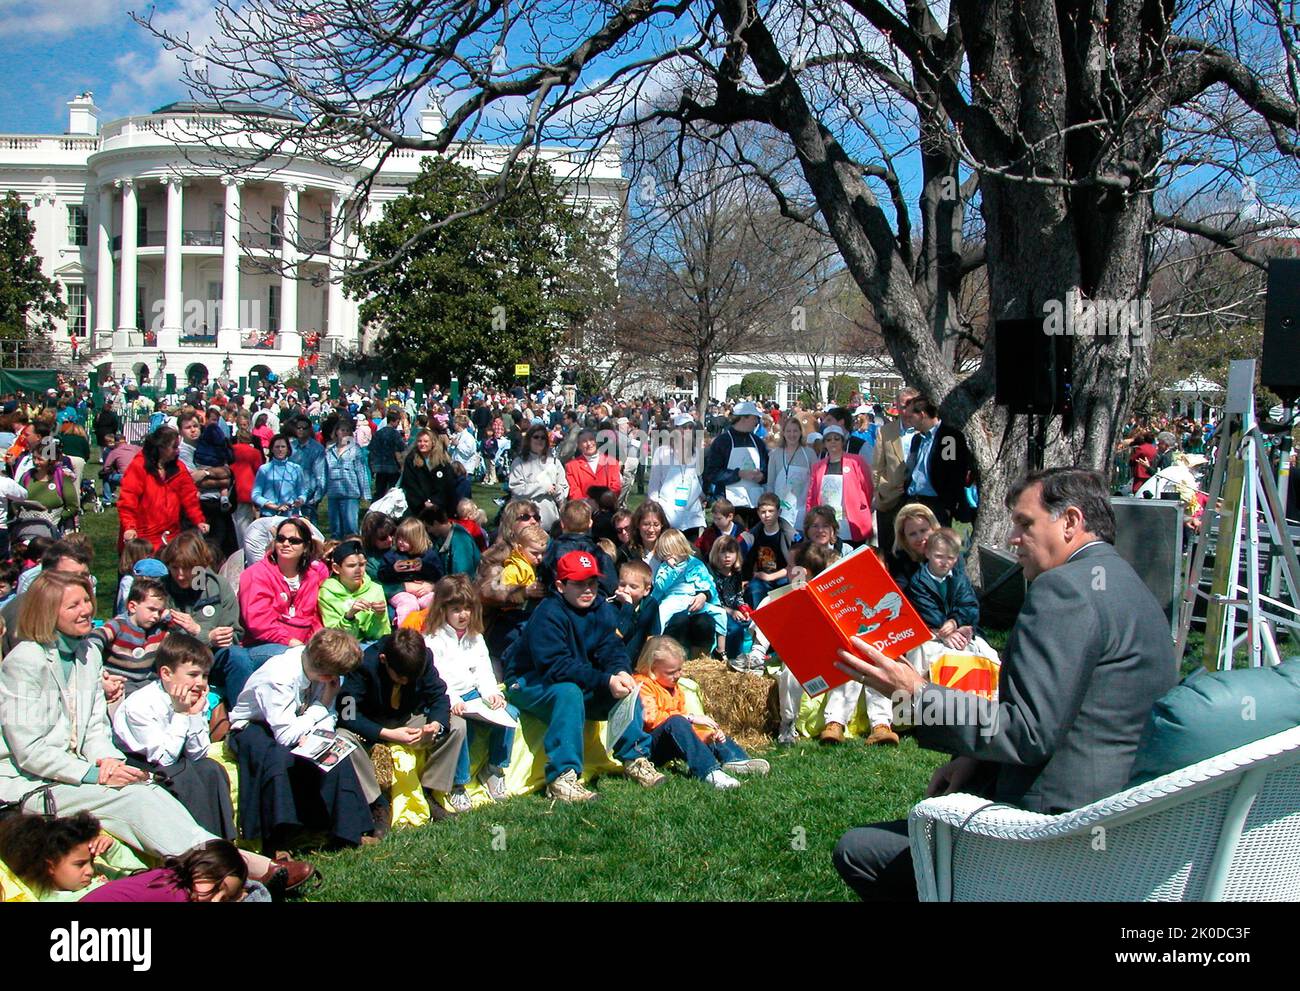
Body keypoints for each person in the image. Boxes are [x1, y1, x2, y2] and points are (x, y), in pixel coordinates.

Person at [831, 467, 1178, 900]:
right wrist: (976, 761)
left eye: (1025, 523)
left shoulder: (1063, 591)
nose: (1013, 538)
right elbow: (1068, 714)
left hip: (1051, 838)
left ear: (1070, 522)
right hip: (1119, 821)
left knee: (858, 849)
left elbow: (1029, 733)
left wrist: (915, 692)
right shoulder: (1126, 583)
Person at [0, 571, 307, 891]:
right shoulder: (25, 663)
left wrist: (109, 763)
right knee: (135, 799)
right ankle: (239, 866)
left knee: (148, 787)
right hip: (33, 783)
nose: (86, 610)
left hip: (80, 769)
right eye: (72, 605)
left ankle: (223, 866)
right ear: (48, 611)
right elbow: (30, 751)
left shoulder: (88, 654)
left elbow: (94, 728)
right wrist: (95, 774)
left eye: (86, 601)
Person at [502, 550, 665, 802]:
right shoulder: (548, 613)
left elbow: (610, 647)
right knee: (568, 691)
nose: (588, 589)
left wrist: (620, 671)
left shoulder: (599, 607)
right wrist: (604, 680)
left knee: (628, 684)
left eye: (592, 582)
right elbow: (555, 667)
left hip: (571, 675)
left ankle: (635, 758)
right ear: (560, 585)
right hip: (527, 680)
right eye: (579, 584)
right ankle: (561, 778)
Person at [228, 628, 377, 851]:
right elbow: (285, 734)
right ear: (326, 674)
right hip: (254, 726)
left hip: (299, 723)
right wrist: (321, 705)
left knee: (334, 753)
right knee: (277, 759)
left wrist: (321, 733)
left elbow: (331, 715)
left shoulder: (322, 673)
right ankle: (281, 839)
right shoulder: (279, 677)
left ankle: (348, 830)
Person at [337, 628, 467, 833]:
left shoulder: (423, 658)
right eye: (400, 677)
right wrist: (385, 733)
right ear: (383, 659)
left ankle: (429, 794)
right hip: (370, 725)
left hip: (405, 719)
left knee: (457, 726)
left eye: (411, 677)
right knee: (342, 738)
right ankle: (377, 804)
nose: (406, 681)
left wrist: (434, 725)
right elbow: (346, 714)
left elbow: (439, 696)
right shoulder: (363, 664)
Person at [111, 632, 237, 840]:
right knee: (183, 775)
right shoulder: (141, 704)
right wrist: (180, 713)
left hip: (177, 762)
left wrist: (194, 715)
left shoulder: (192, 700)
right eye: (193, 675)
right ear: (166, 674)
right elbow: (164, 759)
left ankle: (224, 841)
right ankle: (202, 846)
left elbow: (198, 754)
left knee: (211, 769)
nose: (200, 683)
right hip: (143, 765)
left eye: (204, 676)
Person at [423, 575, 518, 811]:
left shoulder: (475, 637)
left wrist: (492, 693)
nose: (463, 615)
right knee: (460, 727)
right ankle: (458, 783)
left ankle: (495, 767)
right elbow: (438, 678)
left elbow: (483, 670)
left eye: (467, 609)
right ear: (442, 609)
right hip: (447, 699)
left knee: (509, 712)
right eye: (456, 609)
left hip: (473, 695)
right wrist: (453, 701)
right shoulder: (433, 640)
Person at [633, 636, 769, 789]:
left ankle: (736, 760)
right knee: (677, 721)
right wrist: (690, 718)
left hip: (671, 739)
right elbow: (651, 719)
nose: (678, 675)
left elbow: (684, 730)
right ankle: (709, 771)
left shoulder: (673, 687)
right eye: (671, 672)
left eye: (680, 669)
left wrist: (707, 736)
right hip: (647, 748)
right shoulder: (642, 684)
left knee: (710, 734)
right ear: (651, 669)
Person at [237, 517, 328, 656]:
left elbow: (316, 618)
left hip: (304, 646)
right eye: (281, 539)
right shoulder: (256, 574)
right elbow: (258, 622)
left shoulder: (313, 576)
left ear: (306, 546)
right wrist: (291, 642)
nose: (286, 544)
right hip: (263, 646)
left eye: (294, 541)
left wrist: (314, 645)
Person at [116, 426, 209, 552]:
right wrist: (129, 527)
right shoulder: (139, 466)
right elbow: (128, 499)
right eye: (174, 447)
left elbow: (189, 497)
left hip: (170, 536)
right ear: (161, 447)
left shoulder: (179, 468)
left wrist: (198, 520)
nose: (178, 451)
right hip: (142, 537)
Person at [84, 577, 173, 702]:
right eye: (152, 609)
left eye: (160, 611)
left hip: (146, 683)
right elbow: (97, 637)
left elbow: (181, 632)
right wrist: (98, 672)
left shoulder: (158, 629)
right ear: (132, 607)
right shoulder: (119, 625)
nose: (156, 616)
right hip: (120, 683)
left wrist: (169, 616)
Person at [81, 839, 252, 903]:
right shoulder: (173, 893)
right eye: (217, 886)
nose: (215, 900)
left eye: (224, 900)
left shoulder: (167, 877)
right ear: (198, 866)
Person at [653, 528, 729, 664]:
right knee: (662, 615)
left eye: (669, 552)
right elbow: (660, 586)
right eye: (665, 554)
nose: (668, 557)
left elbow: (708, 583)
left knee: (718, 614)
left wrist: (703, 595)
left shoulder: (695, 563)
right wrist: (672, 568)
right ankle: (656, 649)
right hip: (673, 599)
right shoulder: (665, 567)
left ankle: (719, 651)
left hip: (693, 599)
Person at [901, 395, 973, 526]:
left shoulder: (948, 438)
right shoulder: (917, 439)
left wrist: (947, 506)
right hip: (913, 500)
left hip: (936, 504)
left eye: (912, 416)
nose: (909, 420)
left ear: (922, 415)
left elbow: (954, 473)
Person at [905, 527, 979, 650]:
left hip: (960, 629)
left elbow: (970, 605)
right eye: (939, 556)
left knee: (987, 654)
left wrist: (955, 621)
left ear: (956, 558)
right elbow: (928, 612)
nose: (944, 562)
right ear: (928, 553)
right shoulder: (918, 582)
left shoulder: (959, 578)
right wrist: (947, 628)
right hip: (932, 632)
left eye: (950, 558)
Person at [701, 401, 768, 528]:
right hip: (728, 506)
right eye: (755, 418)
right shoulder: (722, 442)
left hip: (753, 503)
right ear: (744, 418)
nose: (757, 422)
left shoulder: (758, 443)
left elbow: (768, 470)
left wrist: (762, 476)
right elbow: (712, 474)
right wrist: (738, 474)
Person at [807, 425, 874, 547]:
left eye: (836, 439)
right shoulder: (818, 466)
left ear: (843, 442)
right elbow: (811, 495)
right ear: (824, 444)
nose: (833, 442)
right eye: (829, 439)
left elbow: (867, 487)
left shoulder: (856, 461)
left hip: (851, 522)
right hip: (826, 524)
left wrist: (861, 507)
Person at [873, 387, 920, 560]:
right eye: (902, 406)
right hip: (890, 499)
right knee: (889, 550)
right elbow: (876, 467)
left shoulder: (924, 431)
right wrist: (879, 492)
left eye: (910, 405)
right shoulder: (885, 432)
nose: (906, 411)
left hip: (917, 499)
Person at [319, 538, 392, 643]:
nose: (358, 570)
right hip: (341, 647)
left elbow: (379, 635)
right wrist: (349, 617)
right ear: (336, 568)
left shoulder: (375, 589)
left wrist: (379, 616)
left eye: (362, 564)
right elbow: (334, 638)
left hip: (370, 644)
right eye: (351, 566)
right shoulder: (327, 593)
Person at [378, 517, 446, 627]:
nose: (400, 542)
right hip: (401, 593)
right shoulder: (392, 555)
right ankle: (404, 632)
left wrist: (424, 568)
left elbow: (439, 575)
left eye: (405, 540)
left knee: (434, 601)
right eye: (399, 538)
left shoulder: (428, 555)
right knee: (409, 604)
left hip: (424, 591)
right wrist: (393, 569)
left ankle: (433, 629)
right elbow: (382, 575)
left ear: (416, 539)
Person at [647, 416, 705, 537]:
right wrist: (656, 509)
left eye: (690, 427)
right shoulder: (662, 452)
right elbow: (654, 485)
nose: (687, 430)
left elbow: (697, 478)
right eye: (683, 427)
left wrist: (701, 495)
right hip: (667, 512)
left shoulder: (697, 452)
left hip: (691, 514)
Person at [739, 493, 797, 609]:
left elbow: (794, 566)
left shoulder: (790, 536)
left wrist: (770, 577)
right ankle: (757, 624)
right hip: (761, 578)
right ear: (758, 513)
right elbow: (744, 557)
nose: (767, 515)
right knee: (754, 589)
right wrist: (744, 578)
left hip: (784, 577)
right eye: (763, 512)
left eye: (771, 511)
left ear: (779, 512)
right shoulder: (754, 535)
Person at [507, 423, 569, 532]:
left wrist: (557, 490)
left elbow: (564, 488)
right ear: (529, 439)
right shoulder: (519, 462)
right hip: (526, 518)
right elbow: (516, 488)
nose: (540, 440)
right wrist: (542, 488)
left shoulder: (555, 462)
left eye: (543, 437)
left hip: (550, 519)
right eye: (536, 437)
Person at [767, 414, 815, 533]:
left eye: (795, 431)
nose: (792, 434)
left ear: (800, 432)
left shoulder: (809, 453)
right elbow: (770, 483)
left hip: (802, 509)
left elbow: (815, 480)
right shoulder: (775, 454)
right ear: (783, 433)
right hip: (780, 509)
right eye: (788, 431)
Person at [324, 421, 371, 539]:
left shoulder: (355, 450)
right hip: (333, 493)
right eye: (341, 430)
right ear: (336, 432)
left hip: (350, 493)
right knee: (335, 529)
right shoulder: (329, 451)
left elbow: (361, 471)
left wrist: (365, 494)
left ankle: (353, 551)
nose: (344, 433)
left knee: (350, 527)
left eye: (347, 430)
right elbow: (324, 473)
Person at [400, 428, 459, 517]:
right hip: (418, 507)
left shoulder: (442, 461)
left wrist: (435, 501)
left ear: (433, 443)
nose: (422, 444)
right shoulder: (411, 460)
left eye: (426, 441)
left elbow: (447, 485)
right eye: (420, 441)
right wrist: (423, 502)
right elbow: (410, 484)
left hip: (440, 507)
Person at [611, 558, 661, 665]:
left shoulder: (651, 605)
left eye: (633, 587)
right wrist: (627, 607)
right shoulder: (611, 606)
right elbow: (615, 637)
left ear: (646, 590)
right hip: (616, 662)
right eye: (622, 584)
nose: (626, 590)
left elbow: (653, 636)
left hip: (639, 662)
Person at [252, 433, 309, 517]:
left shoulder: (296, 468)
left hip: (291, 515)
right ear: (271, 449)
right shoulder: (264, 469)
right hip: (269, 515)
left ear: (288, 449)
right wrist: (274, 506)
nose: (280, 450)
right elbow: (255, 495)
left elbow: (303, 492)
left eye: (283, 447)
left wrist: (300, 501)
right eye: (277, 447)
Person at [422, 504, 482, 578]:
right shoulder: (443, 536)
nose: (428, 531)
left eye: (428, 528)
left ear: (436, 523)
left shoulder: (460, 543)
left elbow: (461, 578)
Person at [564, 429, 622, 502]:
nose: (589, 443)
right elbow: (574, 491)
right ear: (579, 446)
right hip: (583, 510)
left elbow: (616, 487)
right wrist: (587, 505)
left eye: (591, 439)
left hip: (607, 508)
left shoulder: (612, 462)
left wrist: (603, 503)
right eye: (584, 441)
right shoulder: (571, 466)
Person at [288, 415, 327, 522]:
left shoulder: (317, 449)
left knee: (309, 529)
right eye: (298, 427)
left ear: (310, 430)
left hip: (309, 496)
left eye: (304, 428)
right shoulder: (290, 447)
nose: (300, 430)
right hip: (291, 493)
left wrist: (316, 498)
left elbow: (321, 475)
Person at [368, 406, 406, 499]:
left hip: (380, 467)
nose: (398, 424)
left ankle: (376, 509)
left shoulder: (378, 433)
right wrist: (402, 466)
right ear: (393, 421)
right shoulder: (396, 434)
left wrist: (372, 465)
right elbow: (399, 452)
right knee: (392, 492)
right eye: (397, 422)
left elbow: (372, 450)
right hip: (393, 467)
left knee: (379, 490)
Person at [99, 434, 140, 508]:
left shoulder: (114, 452)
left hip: (125, 477)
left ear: (116, 442)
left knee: (106, 477)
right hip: (139, 476)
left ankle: (107, 500)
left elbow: (106, 467)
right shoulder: (136, 448)